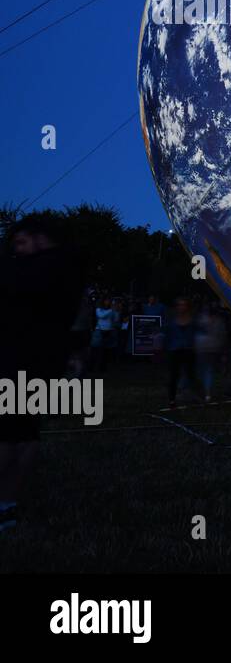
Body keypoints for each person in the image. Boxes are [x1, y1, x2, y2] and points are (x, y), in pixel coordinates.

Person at [1, 215, 83, 532]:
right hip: (45, 363)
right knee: (25, 434)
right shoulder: (68, 267)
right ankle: (7, 503)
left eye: (21, 242)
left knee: (9, 435)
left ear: (40, 238)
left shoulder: (40, 270)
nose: (17, 249)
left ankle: (6, 501)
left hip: (19, 362)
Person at [164, 297, 200, 407]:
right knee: (174, 376)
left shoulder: (192, 321)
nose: (182, 307)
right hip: (175, 350)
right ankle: (172, 399)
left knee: (190, 375)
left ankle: (191, 396)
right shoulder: (172, 321)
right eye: (180, 305)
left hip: (188, 350)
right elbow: (168, 335)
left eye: (184, 304)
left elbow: (196, 333)